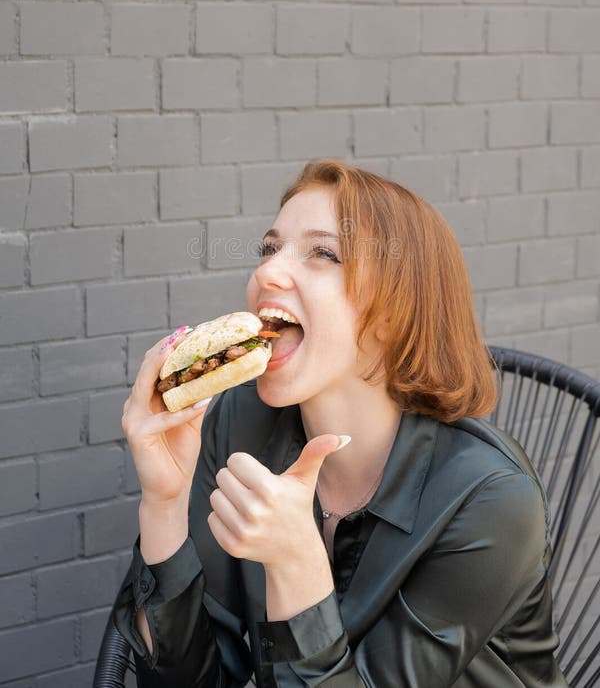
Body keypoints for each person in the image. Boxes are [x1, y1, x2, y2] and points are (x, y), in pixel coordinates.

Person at [114, 159, 567, 687]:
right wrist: (164, 505)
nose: (266, 273)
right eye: (269, 249)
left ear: (397, 310)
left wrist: (296, 563)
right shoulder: (239, 422)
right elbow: (189, 679)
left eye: (323, 253)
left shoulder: (489, 497)